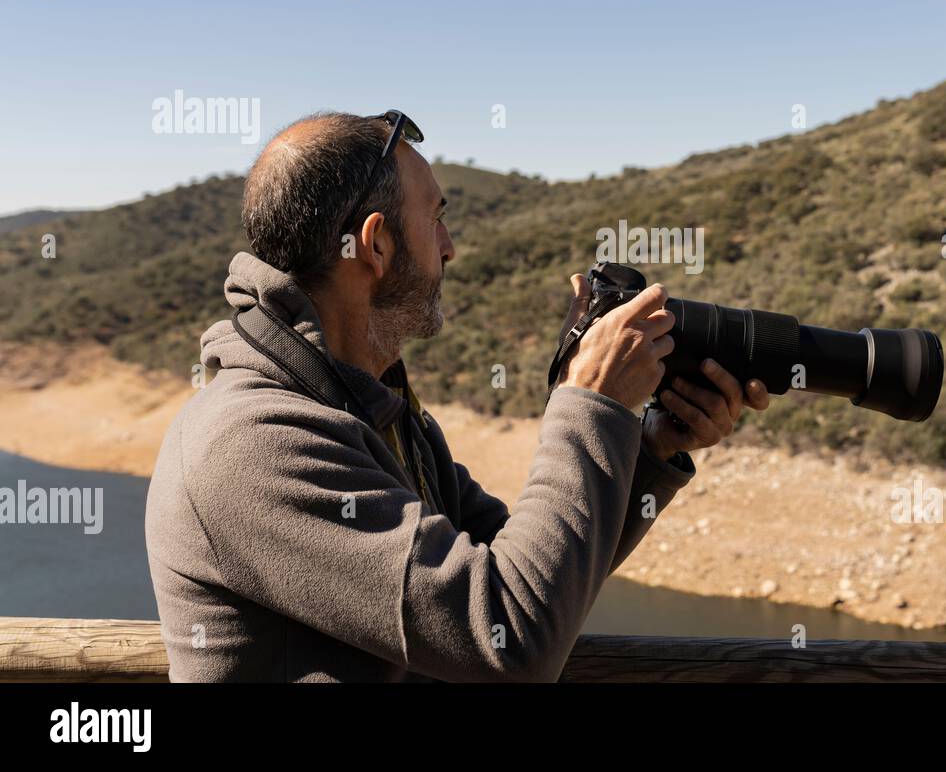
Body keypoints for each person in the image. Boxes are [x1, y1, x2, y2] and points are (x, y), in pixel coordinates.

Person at [144, 109, 769, 681]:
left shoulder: (371, 412)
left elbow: (538, 575)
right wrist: (590, 401)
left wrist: (652, 449)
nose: (449, 247)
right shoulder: (254, 444)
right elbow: (512, 637)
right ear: (376, 243)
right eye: (436, 219)